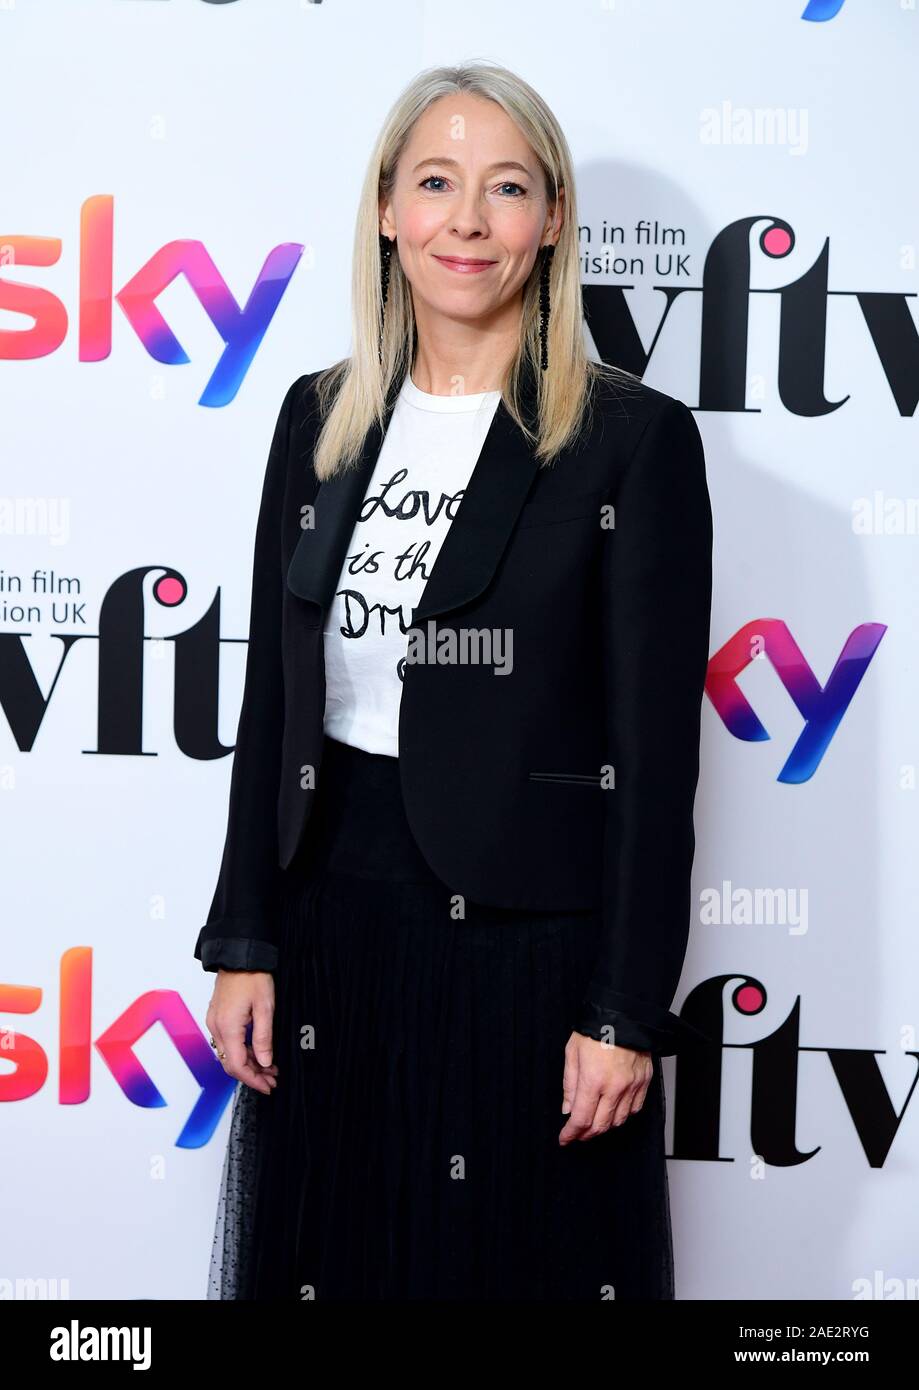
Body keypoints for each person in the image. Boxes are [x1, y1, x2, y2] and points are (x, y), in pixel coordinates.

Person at [196, 60, 713, 1302]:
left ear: (550, 223)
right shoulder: (316, 418)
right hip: (334, 928)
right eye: (436, 182)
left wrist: (626, 1009)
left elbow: (653, 762)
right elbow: (277, 698)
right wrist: (246, 934)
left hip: (530, 957)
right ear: (387, 210)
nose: (467, 221)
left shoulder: (629, 442)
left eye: (506, 188)